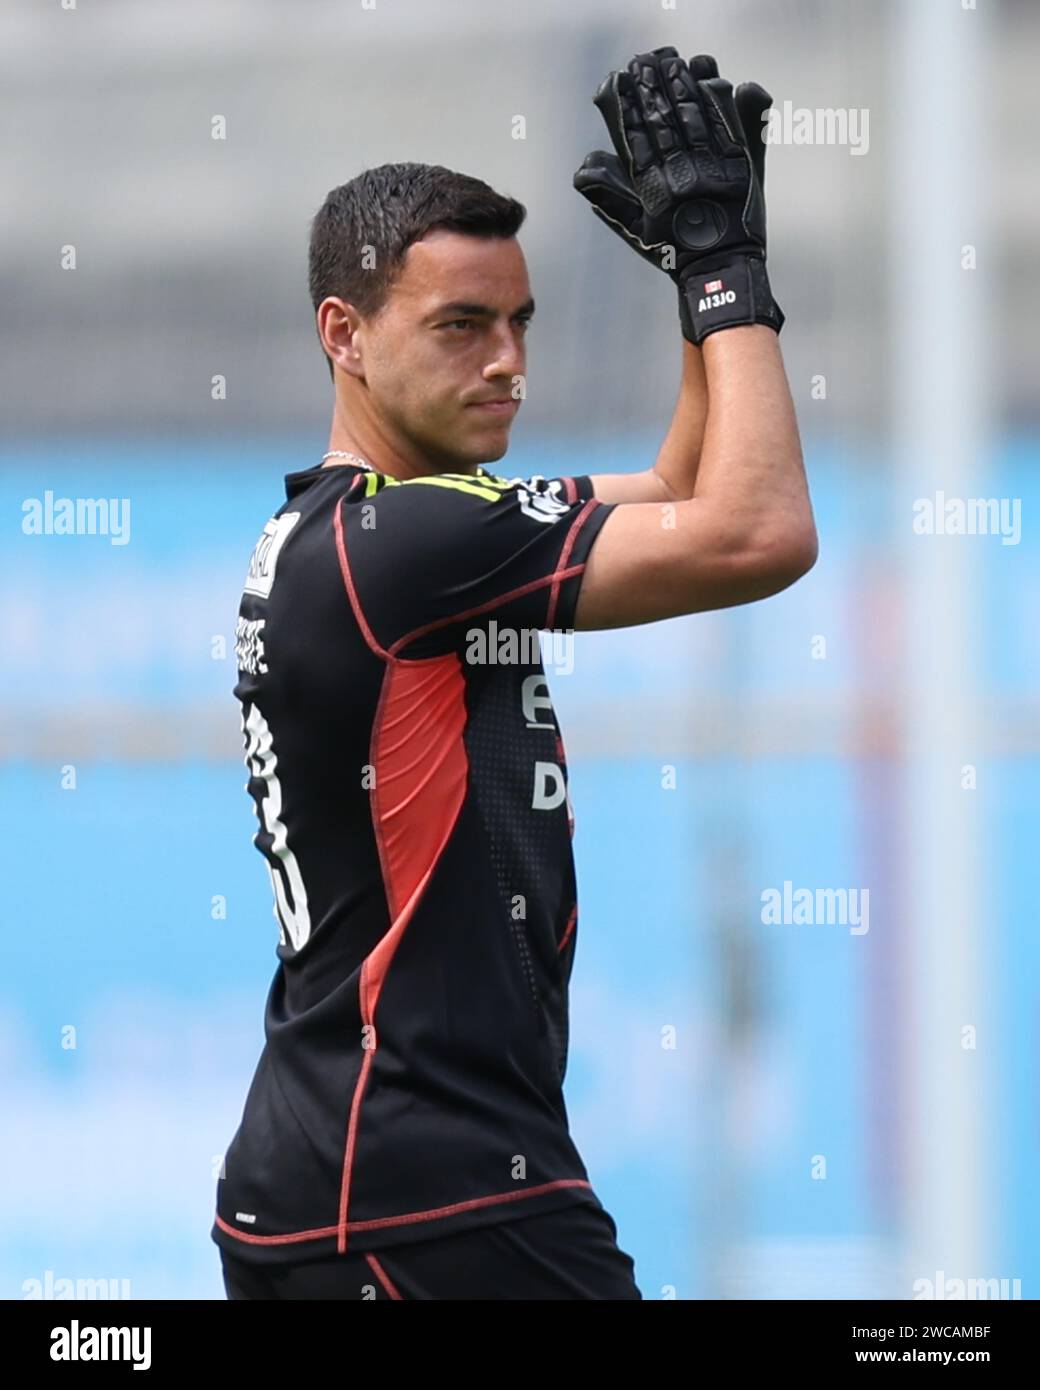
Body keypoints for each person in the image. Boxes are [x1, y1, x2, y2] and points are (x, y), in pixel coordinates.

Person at [212, 46, 816, 1300]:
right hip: (429, 1191)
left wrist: (700, 287)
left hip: (354, 1183)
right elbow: (758, 531)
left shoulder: (395, 526)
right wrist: (721, 273)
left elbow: (683, 491)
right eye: (458, 326)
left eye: (517, 323)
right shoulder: (411, 541)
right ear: (345, 335)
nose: (505, 362)